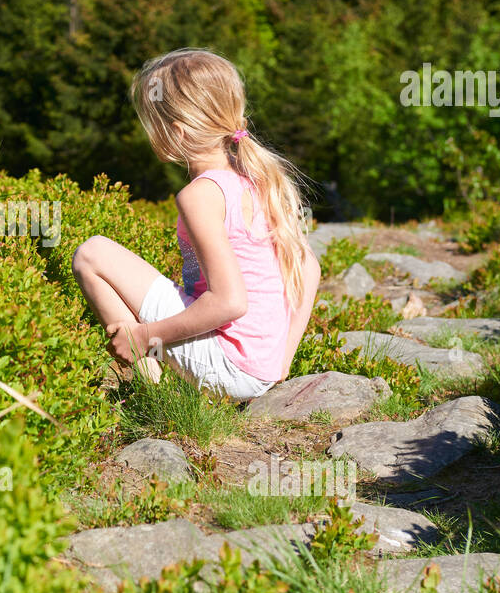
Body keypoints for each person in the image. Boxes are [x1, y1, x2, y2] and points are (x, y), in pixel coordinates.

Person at [72, 48, 320, 400]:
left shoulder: (200, 195)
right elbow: (309, 266)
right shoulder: (257, 179)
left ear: (178, 133)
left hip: (229, 366)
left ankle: (154, 391)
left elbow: (230, 303)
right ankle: (162, 382)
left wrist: (146, 336)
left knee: (92, 254)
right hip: (262, 367)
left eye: (151, 123)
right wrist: (284, 359)